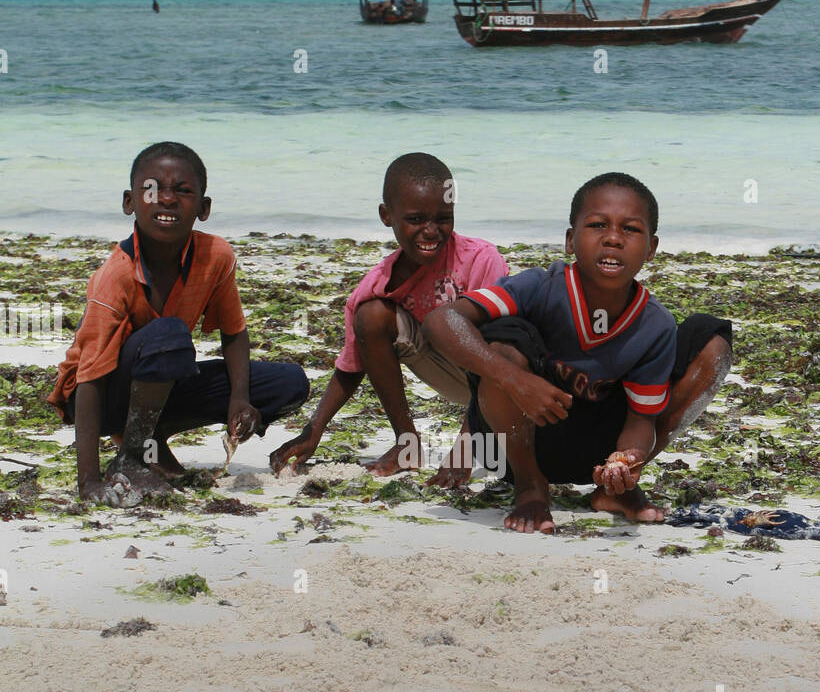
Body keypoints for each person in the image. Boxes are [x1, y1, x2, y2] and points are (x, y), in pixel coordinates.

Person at [423, 171, 732, 533]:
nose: (613, 238)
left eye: (630, 229)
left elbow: (640, 420)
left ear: (651, 248)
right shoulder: (539, 287)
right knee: (504, 338)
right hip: (510, 442)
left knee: (713, 340)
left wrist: (630, 457)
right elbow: (440, 321)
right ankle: (531, 486)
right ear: (571, 240)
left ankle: (615, 488)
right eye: (598, 225)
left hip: (593, 454)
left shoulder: (654, 324)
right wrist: (516, 380)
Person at [48, 141, 309, 506]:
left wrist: (239, 399)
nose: (166, 199)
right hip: (100, 398)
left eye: (182, 191)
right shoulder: (116, 275)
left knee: (288, 383)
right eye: (151, 189)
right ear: (129, 202)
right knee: (170, 334)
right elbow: (89, 377)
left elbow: (234, 332)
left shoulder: (216, 256)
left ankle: (149, 436)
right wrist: (88, 481)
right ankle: (133, 456)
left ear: (203, 208)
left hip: (159, 381)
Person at [270, 152, 509, 488]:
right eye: (415, 219)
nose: (431, 231)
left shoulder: (481, 260)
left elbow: (499, 353)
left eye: (443, 218)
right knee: (371, 316)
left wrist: (465, 449)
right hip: (451, 371)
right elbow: (351, 367)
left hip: (502, 377)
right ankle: (405, 444)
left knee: (500, 348)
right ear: (387, 216)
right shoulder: (376, 284)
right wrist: (314, 431)